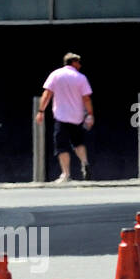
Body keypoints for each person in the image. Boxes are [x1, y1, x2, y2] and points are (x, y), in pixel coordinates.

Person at [35, 52, 92, 184]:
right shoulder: (80, 77)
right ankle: (85, 162)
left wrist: (41, 111)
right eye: (78, 62)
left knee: (61, 145)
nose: (80, 65)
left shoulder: (55, 75)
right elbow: (86, 98)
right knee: (78, 142)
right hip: (77, 116)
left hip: (61, 116)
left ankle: (66, 174)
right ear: (74, 63)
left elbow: (47, 93)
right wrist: (90, 114)